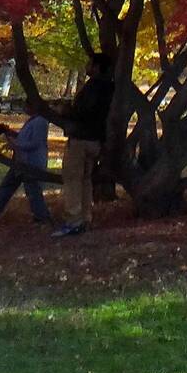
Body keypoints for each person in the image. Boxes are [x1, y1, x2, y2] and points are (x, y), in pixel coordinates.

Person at [55, 53, 114, 239]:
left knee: (73, 179)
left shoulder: (92, 88)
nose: (87, 66)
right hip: (96, 140)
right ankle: (85, 218)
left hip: (81, 139)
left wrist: (65, 110)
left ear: (96, 67)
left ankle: (74, 221)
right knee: (86, 179)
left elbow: (83, 112)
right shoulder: (111, 88)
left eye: (90, 63)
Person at [0, 112, 52, 225]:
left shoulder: (40, 121)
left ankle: (42, 217)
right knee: (8, 187)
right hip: (20, 161)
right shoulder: (33, 120)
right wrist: (10, 133)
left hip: (31, 163)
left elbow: (35, 143)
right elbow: (25, 139)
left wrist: (16, 145)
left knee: (32, 190)